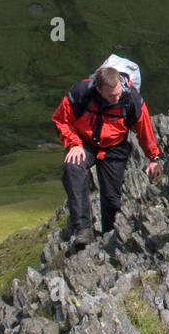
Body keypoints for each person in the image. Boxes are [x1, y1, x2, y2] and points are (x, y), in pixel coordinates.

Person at [52, 65, 163, 250]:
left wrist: (155, 158)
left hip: (114, 147)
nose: (117, 98)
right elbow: (61, 119)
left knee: (111, 199)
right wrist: (74, 144)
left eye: (119, 93)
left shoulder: (131, 99)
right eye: (112, 96)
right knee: (73, 168)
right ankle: (83, 230)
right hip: (84, 143)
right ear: (98, 89)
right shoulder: (81, 93)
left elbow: (144, 129)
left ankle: (109, 237)